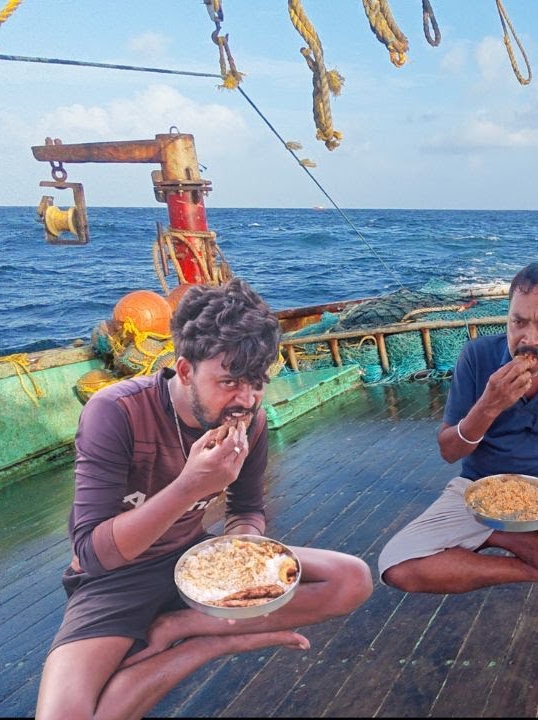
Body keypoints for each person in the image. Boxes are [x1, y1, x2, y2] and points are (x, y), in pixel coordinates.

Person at [36, 279, 373, 720]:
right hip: (114, 580)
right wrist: (188, 488)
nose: (245, 400)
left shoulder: (251, 422)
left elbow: (246, 509)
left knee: (353, 579)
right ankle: (211, 644)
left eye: (257, 383)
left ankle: (185, 625)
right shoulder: (115, 412)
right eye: (229, 382)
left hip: (194, 560)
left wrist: (241, 553)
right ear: (185, 370)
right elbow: (92, 555)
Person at [378, 262, 538, 622]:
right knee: (396, 566)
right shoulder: (476, 358)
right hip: (476, 489)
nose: (529, 339)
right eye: (519, 322)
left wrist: (534, 504)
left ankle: (497, 536)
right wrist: (489, 404)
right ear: (507, 319)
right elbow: (449, 451)